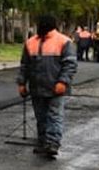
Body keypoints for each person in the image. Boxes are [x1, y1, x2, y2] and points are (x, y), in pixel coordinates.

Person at [17, 14, 77, 158]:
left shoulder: (64, 42)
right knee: (41, 117)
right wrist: (21, 83)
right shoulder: (31, 42)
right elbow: (24, 65)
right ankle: (43, 142)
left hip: (56, 87)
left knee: (54, 116)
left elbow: (70, 65)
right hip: (37, 87)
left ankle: (52, 143)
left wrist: (62, 82)